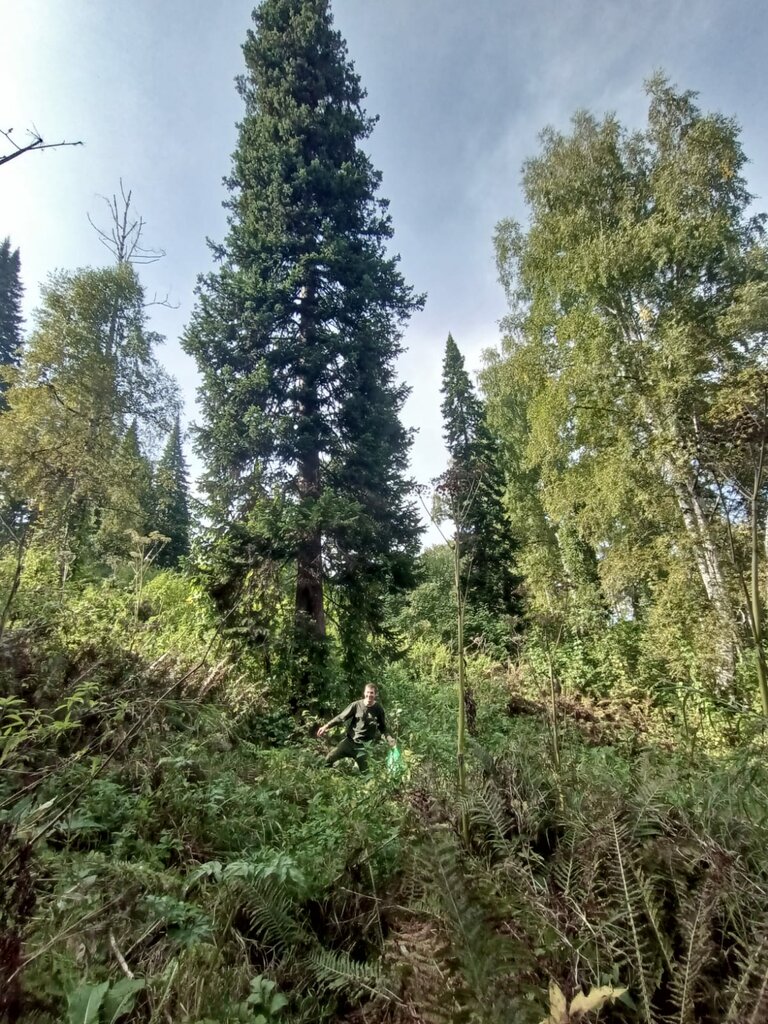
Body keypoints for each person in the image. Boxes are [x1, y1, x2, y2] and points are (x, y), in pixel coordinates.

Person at [318, 683, 396, 772]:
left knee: (365, 773)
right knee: (329, 759)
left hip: (364, 747)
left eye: (371, 693)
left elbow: (382, 727)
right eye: (367, 692)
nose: (369, 695)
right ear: (364, 693)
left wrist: (389, 738)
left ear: (375, 694)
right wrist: (326, 726)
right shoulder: (356, 705)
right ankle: (325, 775)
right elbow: (341, 717)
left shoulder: (378, 709)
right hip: (349, 742)